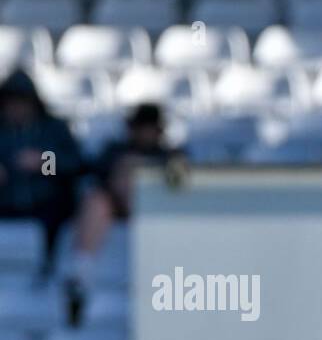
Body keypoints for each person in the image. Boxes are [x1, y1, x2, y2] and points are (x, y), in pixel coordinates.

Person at [66, 103, 187, 317]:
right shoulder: (114, 151)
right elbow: (94, 176)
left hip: (154, 212)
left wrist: (146, 169)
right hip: (115, 208)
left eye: (150, 129)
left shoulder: (172, 155)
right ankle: (80, 273)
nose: (144, 134)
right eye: (140, 128)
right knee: (95, 201)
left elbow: (181, 184)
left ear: (159, 131)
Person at [0, 69, 82, 277]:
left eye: (21, 102)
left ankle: (50, 269)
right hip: (6, 199)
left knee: (58, 210)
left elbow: (75, 164)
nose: (16, 108)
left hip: (45, 201)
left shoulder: (54, 128)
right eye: (10, 102)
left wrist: (43, 162)